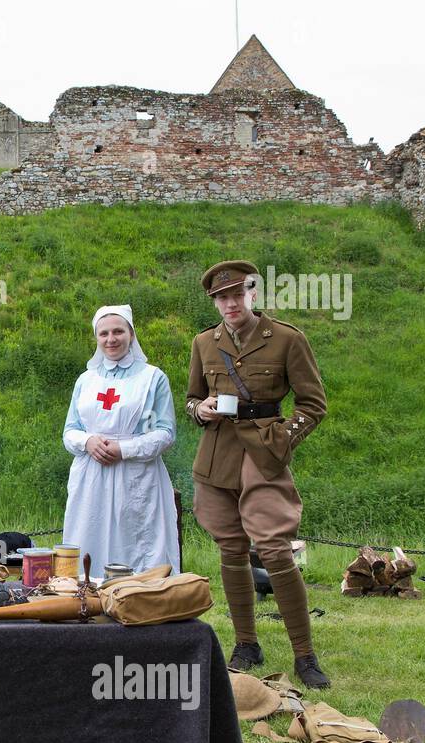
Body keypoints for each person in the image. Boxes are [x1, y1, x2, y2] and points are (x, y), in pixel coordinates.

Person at [185, 260, 329, 688]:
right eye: (221, 298)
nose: (229, 304)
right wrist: (200, 409)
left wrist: (283, 438)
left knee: (275, 548)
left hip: (264, 453)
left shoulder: (286, 339)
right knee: (230, 548)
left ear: (252, 294)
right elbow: (193, 397)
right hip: (217, 455)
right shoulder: (204, 343)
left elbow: (313, 404)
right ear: (214, 302)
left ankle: (305, 654)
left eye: (236, 295)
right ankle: (247, 643)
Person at [62, 305, 180, 577]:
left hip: (136, 475)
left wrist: (124, 449)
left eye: (118, 331)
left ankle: (141, 602)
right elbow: (70, 431)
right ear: (96, 338)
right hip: (91, 476)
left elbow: (163, 432)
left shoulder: (152, 378)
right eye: (103, 333)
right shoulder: (86, 380)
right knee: (89, 538)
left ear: (131, 334)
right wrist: (88, 441)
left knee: (138, 543)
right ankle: (87, 601)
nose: (111, 339)